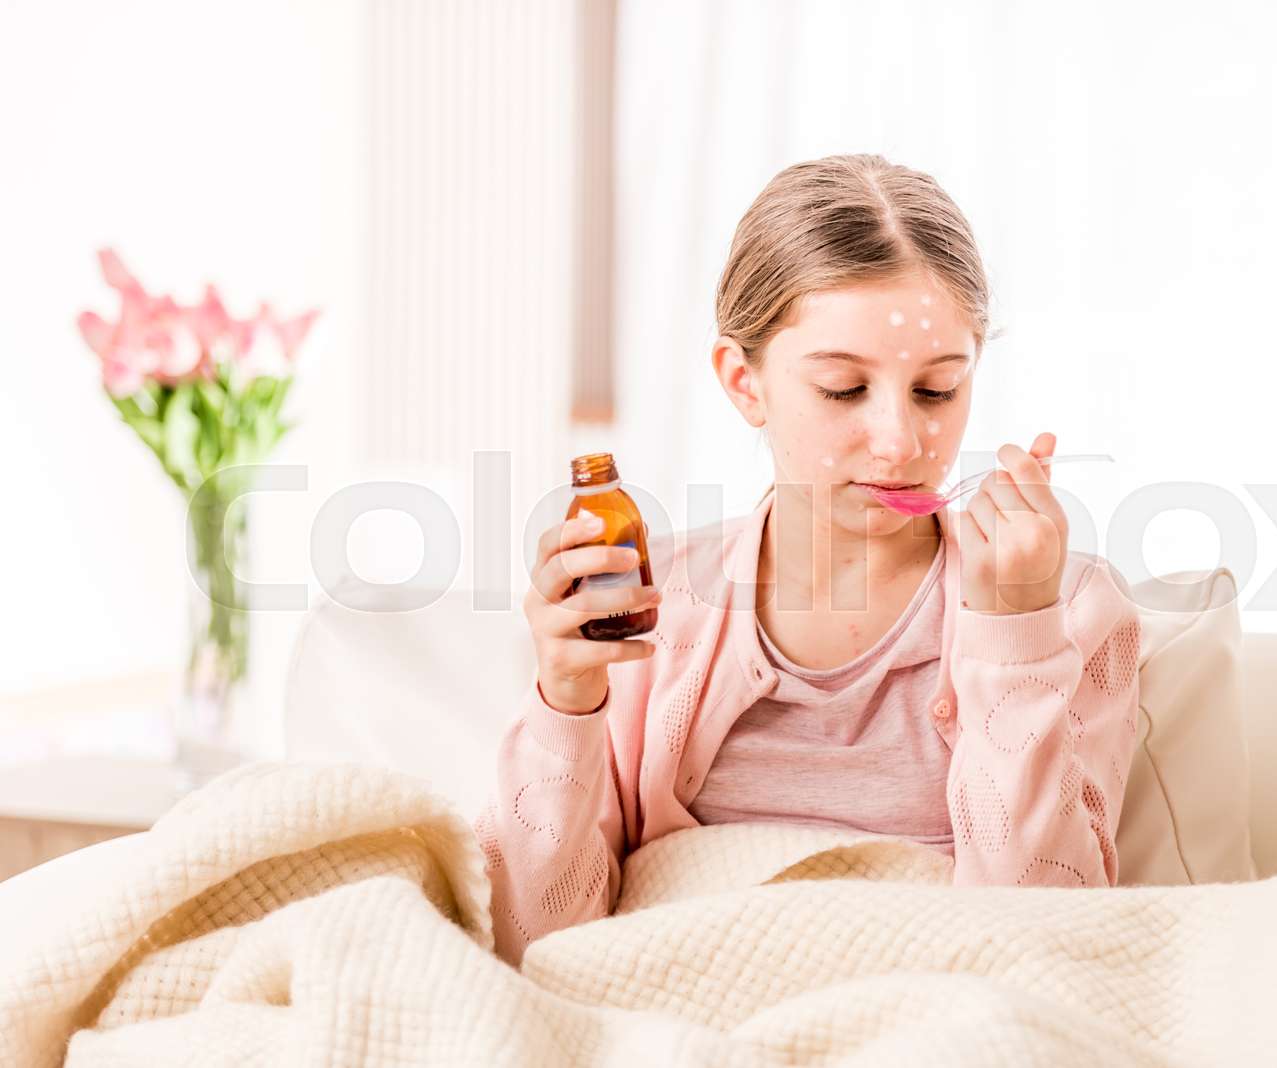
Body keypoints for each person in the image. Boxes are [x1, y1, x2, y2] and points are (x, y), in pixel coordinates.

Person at [476, 153, 1142, 966]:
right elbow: (529, 948)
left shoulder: (1068, 612)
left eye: (936, 391)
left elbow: (1052, 948)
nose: (902, 443)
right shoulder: (646, 611)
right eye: (842, 389)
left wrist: (1016, 635)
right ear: (743, 381)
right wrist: (567, 703)